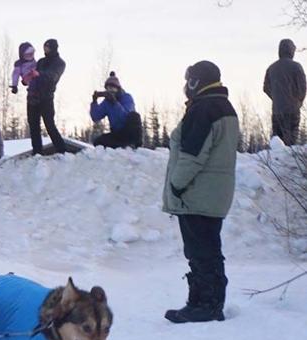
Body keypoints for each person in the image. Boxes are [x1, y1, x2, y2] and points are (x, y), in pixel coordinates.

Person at [162, 60, 239, 324]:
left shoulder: (205, 108)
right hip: (212, 193)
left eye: (189, 80)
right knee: (206, 249)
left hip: (198, 194)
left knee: (201, 251)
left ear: (197, 81)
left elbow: (193, 154)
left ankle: (206, 304)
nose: (186, 86)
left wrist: (177, 183)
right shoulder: (222, 106)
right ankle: (204, 302)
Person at [27, 39, 67, 155]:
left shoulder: (60, 63)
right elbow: (34, 76)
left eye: (47, 47)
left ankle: (62, 151)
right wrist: (28, 78)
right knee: (33, 126)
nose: (45, 50)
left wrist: (39, 74)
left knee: (49, 124)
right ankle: (37, 153)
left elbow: (53, 76)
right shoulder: (41, 61)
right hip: (33, 96)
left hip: (46, 97)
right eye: (44, 47)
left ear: (53, 48)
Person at [264, 39, 307, 146]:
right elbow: (303, 87)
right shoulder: (296, 67)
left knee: (277, 144)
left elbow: (266, 88)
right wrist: (298, 101)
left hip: (276, 111)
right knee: (291, 145)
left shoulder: (271, 68)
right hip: (293, 110)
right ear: (291, 51)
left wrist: (276, 98)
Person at [90, 72, 143, 149]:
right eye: (108, 88)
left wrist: (115, 103)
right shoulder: (106, 102)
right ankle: (121, 147)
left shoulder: (127, 97)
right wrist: (94, 102)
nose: (110, 91)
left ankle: (134, 145)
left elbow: (125, 117)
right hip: (117, 134)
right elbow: (95, 116)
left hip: (128, 131)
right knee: (98, 142)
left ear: (118, 88)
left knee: (134, 116)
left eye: (112, 88)